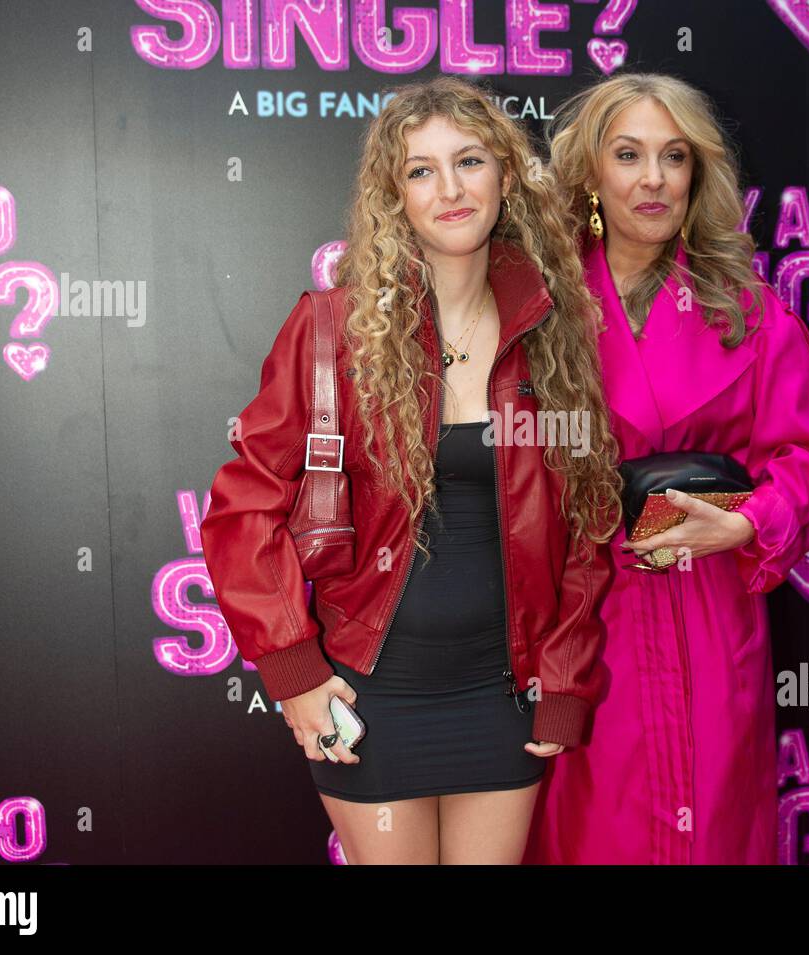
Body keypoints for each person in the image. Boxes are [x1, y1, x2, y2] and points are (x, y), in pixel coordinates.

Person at [200, 77, 622, 864]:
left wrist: (562, 685)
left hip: (504, 697)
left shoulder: (552, 333)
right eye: (421, 170)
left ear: (504, 175)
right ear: (395, 195)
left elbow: (584, 530)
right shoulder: (330, 331)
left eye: (469, 161)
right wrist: (294, 675)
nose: (451, 188)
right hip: (369, 694)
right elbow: (241, 510)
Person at [523, 73, 809, 864]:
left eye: (675, 157)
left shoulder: (749, 309)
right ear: (592, 172)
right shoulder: (537, 302)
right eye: (628, 154)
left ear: (698, 175)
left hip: (708, 608)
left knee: (710, 823)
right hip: (579, 618)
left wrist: (743, 522)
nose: (653, 178)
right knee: (592, 828)